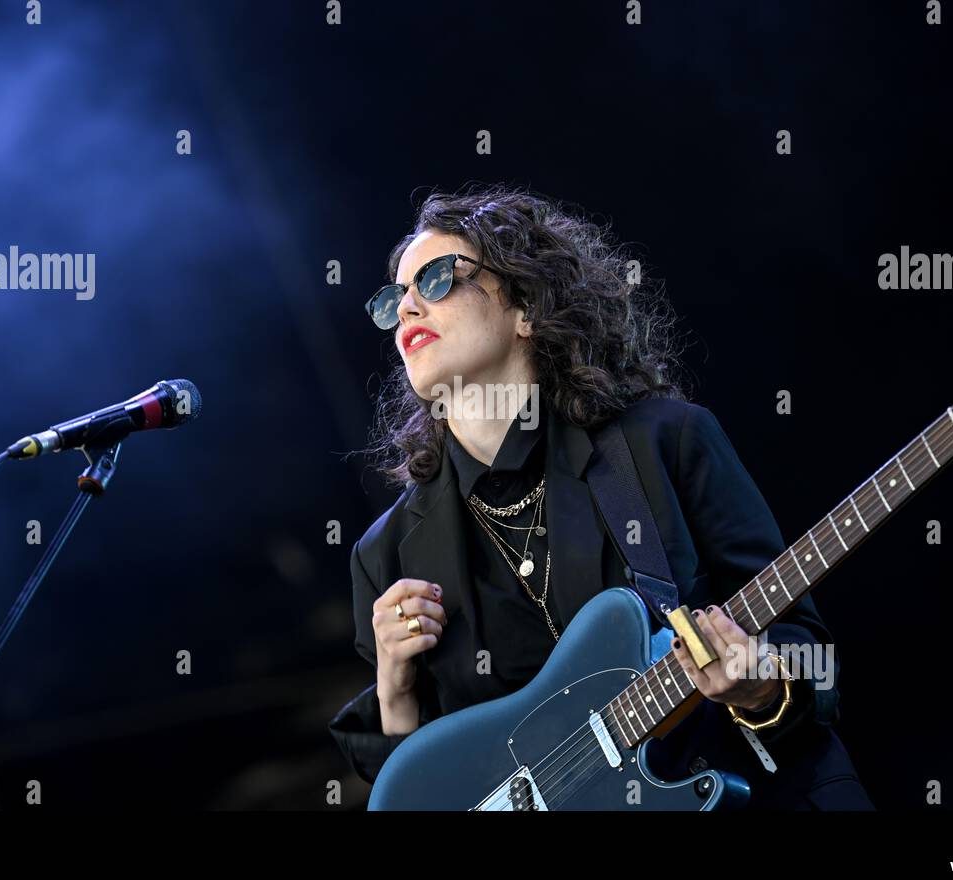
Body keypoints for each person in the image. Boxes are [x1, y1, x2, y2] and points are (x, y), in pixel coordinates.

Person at [328, 186, 873, 810]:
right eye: (394, 299)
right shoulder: (387, 555)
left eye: (436, 278)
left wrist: (761, 689)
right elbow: (428, 789)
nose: (407, 307)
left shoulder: (664, 442)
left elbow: (806, 646)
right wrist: (394, 691)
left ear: (526, 307)